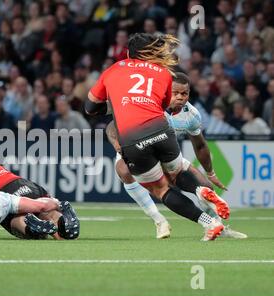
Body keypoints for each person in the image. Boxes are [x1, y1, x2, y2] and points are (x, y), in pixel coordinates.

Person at [85, 33, 229, 241]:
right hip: (161, 130)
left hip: (134, 138)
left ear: (128, 53)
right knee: (178, 172)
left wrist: (115, 103)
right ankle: (199, 191)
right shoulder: (163, 73)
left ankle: (209, 223)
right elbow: (160, 107)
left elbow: (89, 108)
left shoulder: (114, 69)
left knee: (161, 189)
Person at [105, 73, 247, 240]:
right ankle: (159, 220)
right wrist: (116, 144)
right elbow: (111, 127)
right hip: (135, 149)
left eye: (184, 93)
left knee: (204, 185)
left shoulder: (191, 114)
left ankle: (216, 224)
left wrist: (211, 174)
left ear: (189, 94)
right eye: (175, 93)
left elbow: (200, 145)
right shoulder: (148, 104)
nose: (180, 97)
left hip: (164, 153)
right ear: (165, 91)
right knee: (124, 170)